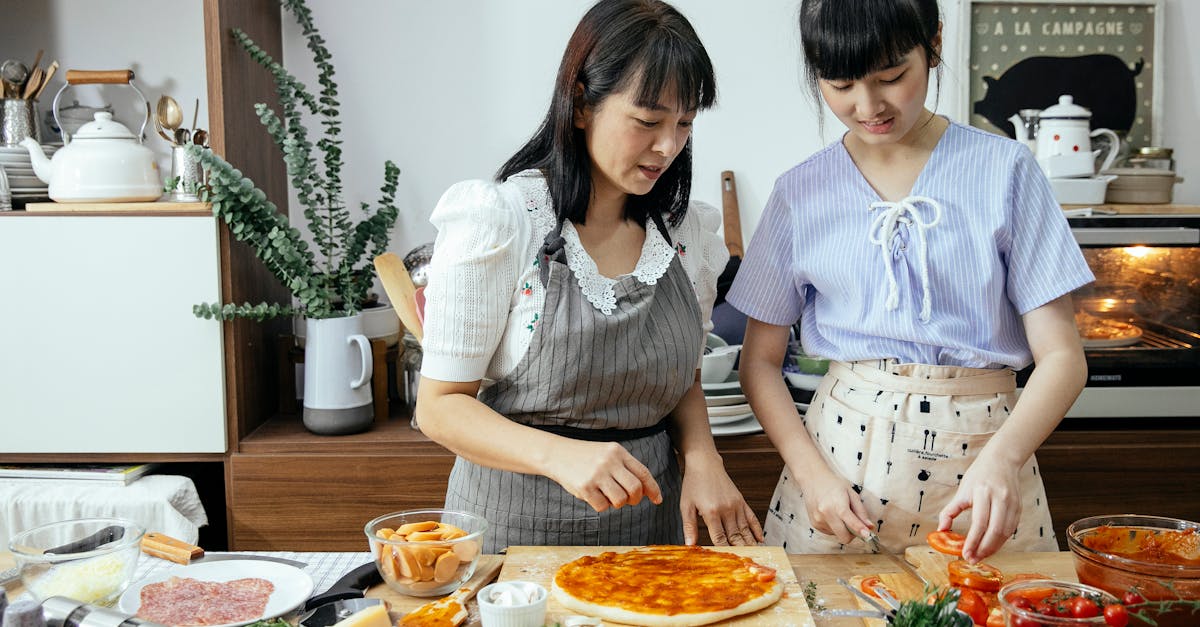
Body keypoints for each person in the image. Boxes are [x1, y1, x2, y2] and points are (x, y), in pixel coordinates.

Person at [728, 0, 1092, 562]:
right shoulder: (799, 192)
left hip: (985, 466)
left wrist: (1004, 460)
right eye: (841, 83)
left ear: (935, 43)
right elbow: (759, 362)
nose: (867, 105)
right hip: (837, 471)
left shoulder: (1005, 170)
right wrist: (812, 477)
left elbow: (1063, 357)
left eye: (892, 77)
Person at [415, 0, 762, 553]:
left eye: (684, 124)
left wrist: (703, 459)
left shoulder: (686, 234)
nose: (668, 147)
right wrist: (561, 455)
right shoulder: (502, 222)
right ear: (581, 105)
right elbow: (439, 407)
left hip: (653, 531)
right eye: (647, 121)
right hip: (512, 540)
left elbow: (682, 377)